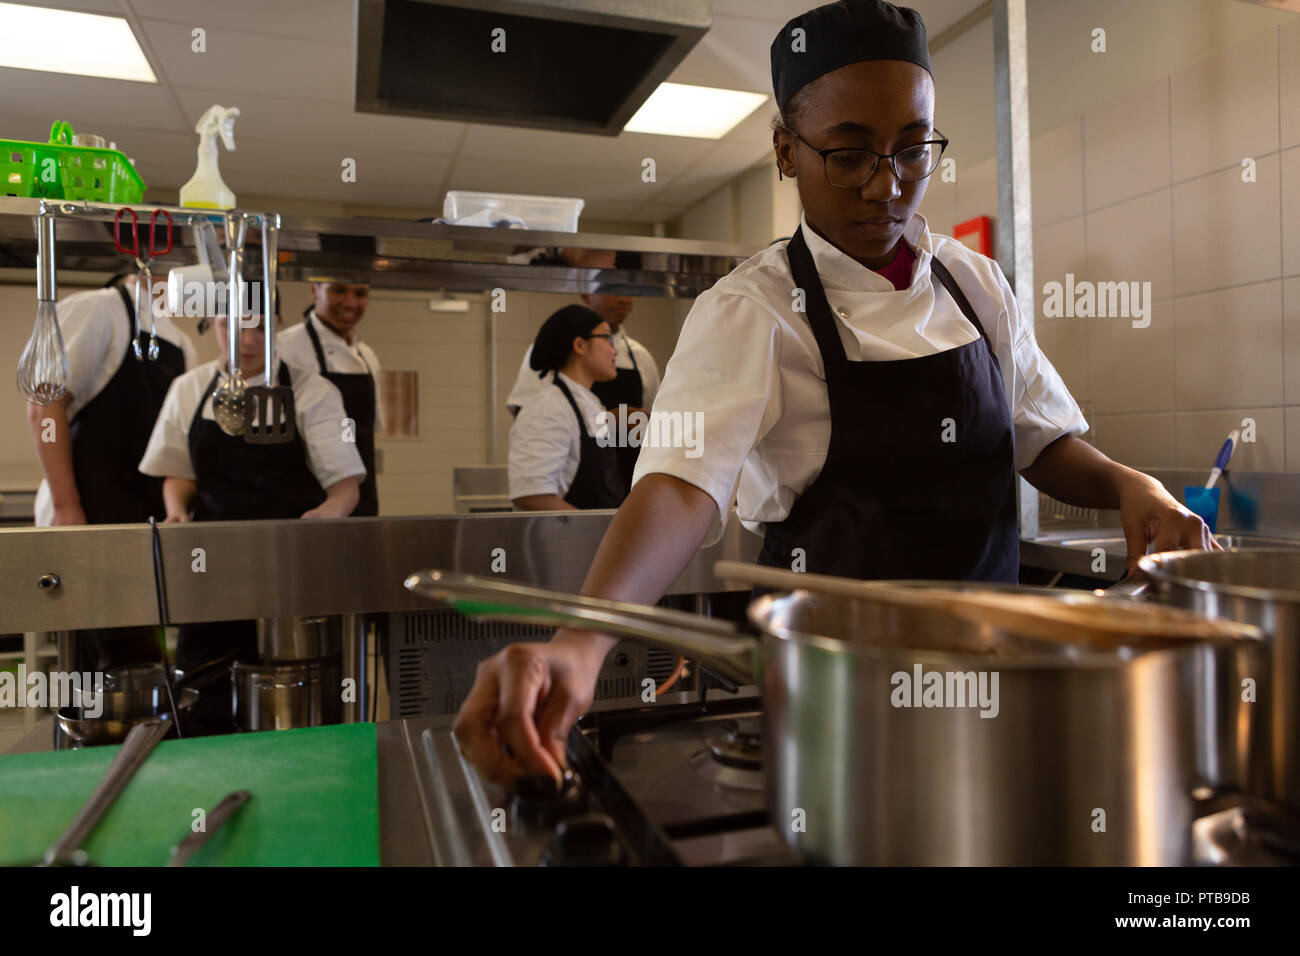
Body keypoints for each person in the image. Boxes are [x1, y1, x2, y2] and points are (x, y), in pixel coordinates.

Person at [453, 0, 1222, 786]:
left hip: (994, 683)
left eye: (913, 150)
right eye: (849, 155)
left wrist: (1133, 486)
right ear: (787, 151)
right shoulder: (751, 309)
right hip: (836, 707)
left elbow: (1039, 435)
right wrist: (582, 643)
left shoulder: (975, 284)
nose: (887, 187)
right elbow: (681, 486)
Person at [138, 285, 364, 733]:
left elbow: (345, 484)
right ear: (213, 327)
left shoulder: (311, 390)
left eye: (259, 327)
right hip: (210, 569)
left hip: (290, 568)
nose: (246, 340)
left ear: (276, 326)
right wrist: (177, 511)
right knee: (204, 698)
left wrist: (329, 514)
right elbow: (178, 474)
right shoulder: (190, 388)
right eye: (231, 326)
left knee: (294, 700)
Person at [25, 273, 198, 671]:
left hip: (142, 527)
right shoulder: (98, 309)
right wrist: (68, 508)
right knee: (104, 669)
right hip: (87, 519)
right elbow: (43, 408)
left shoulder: (181, 342)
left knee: (140, 666)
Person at [506, 250, 660, 489]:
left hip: (626, 485)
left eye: (630, 289)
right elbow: (532, 419)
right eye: (612, 289)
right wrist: (606, 423)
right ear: (586, 294)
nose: (624, 299)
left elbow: (652, 425)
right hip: (574, 486)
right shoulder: (551, 351)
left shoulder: (640, 357)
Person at [277, 280, 383, 515]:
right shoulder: (284, 348)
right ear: (314, 291)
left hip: (363, 495)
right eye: (339, 290)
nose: (350, 303)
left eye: (360, 293)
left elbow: (365, 431)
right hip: (310, 499)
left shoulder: (368, 356)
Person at [508, 305, 624, 510]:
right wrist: (594, 531)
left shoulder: (591, 404)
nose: (614, 350)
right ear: (579, 345)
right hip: (567, 540)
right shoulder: (548, 408)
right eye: (607, 338)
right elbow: (532, 495)